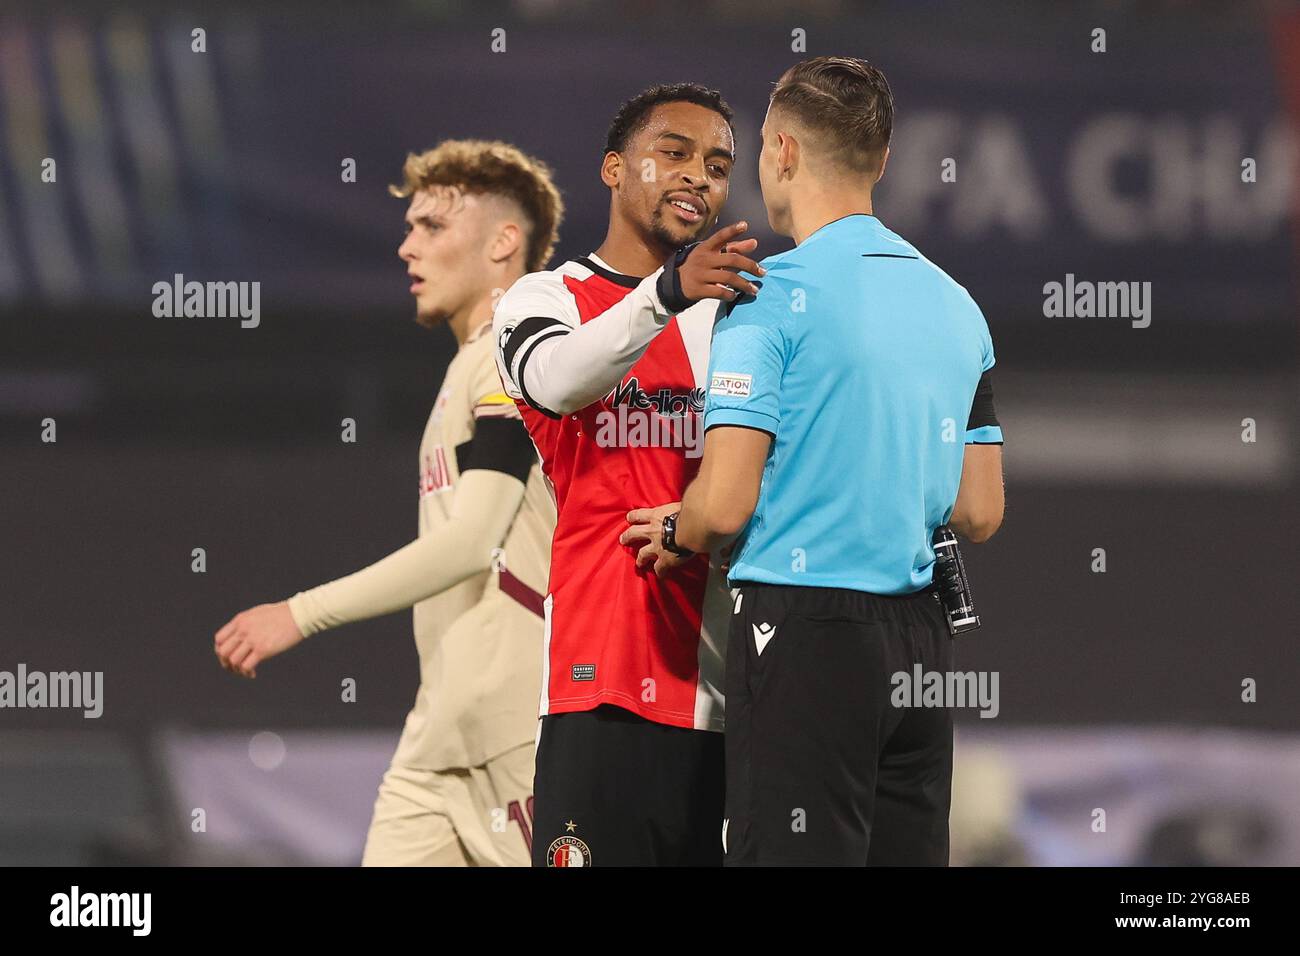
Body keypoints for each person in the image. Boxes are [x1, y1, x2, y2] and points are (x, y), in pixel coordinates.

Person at [660, 56, 1006, 865]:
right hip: (921, 646)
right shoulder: (958, 306)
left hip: (805, 637)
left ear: (779, 151)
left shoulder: (762, 296)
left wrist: (676, 525)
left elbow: (724, 507)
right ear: (882, 161)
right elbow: (981, 511)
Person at [213, 140, 563, 866]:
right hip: (440, 736)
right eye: (410, 227)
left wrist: (299, 613)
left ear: (505, 243)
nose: (407, 247)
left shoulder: (511, 352)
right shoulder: (469, 367)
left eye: (432, 227)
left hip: (513, 729)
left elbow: (474, 542)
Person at [492, 83, 761, 866]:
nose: (697, 178)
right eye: (672, 153)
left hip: (727, 698)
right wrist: (668, 292)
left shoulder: (742, 320)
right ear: (614, 169)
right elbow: (557, 380)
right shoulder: (545, 299)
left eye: (717, 165)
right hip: (599, 689)